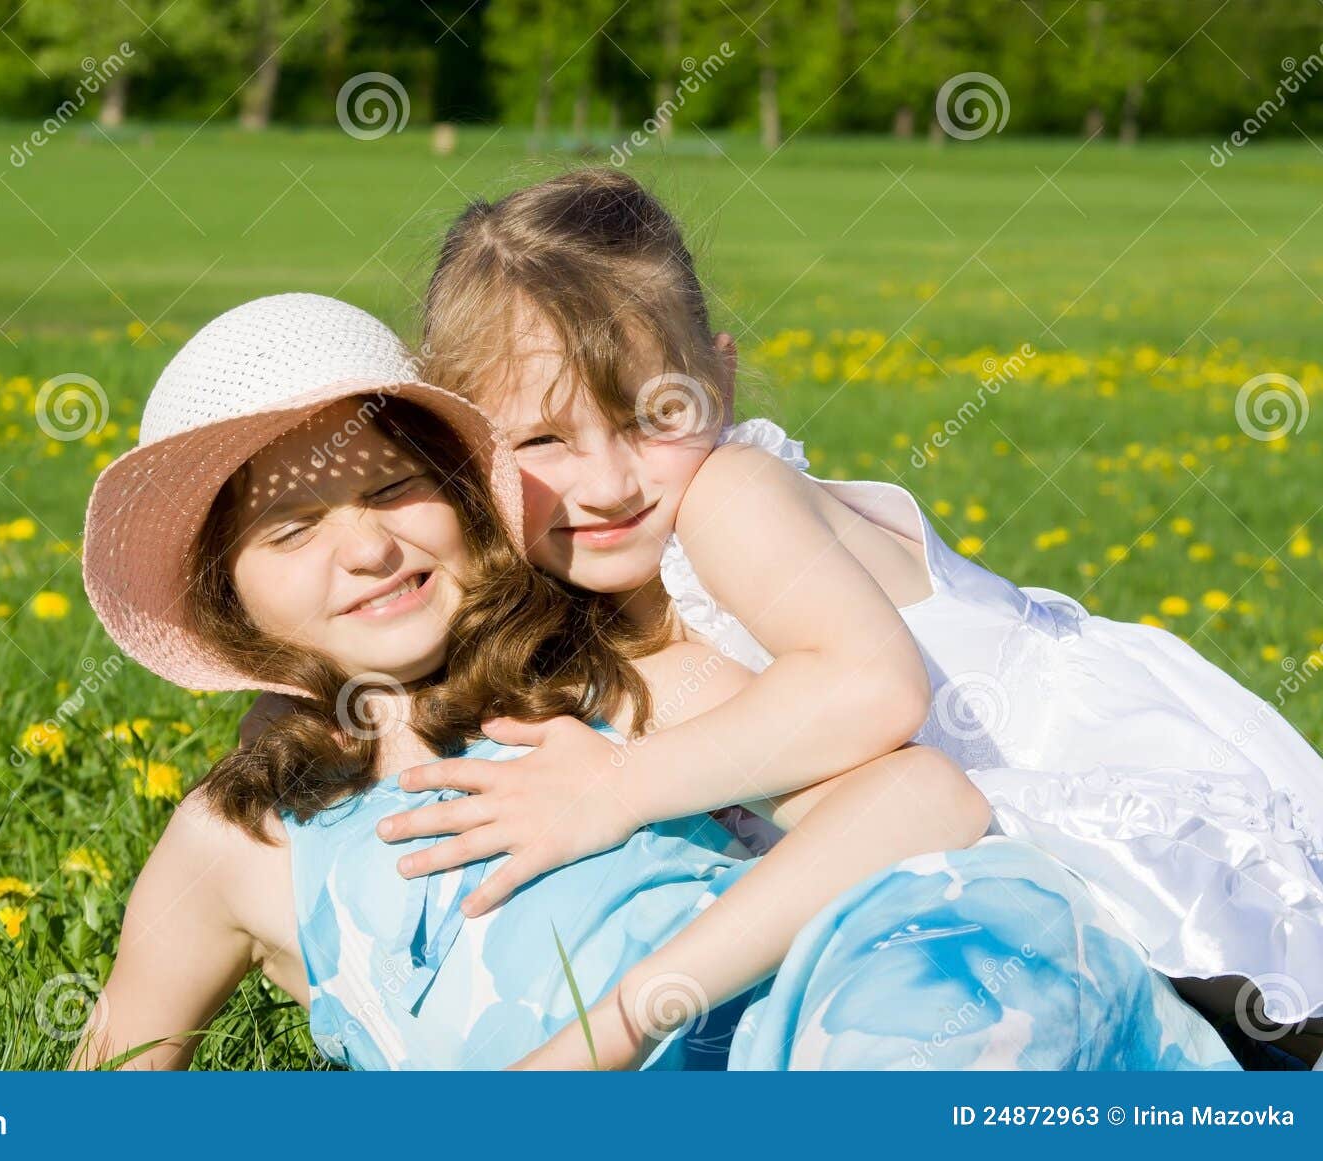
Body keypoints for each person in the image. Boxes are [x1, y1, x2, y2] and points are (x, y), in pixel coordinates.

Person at [75, 293, 1228, 1070]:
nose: (367, 552)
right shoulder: (234, 844)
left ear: (471, 500)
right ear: (227, 596)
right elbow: (117, 1074)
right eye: (289, 533)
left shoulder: (607, 692)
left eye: (391, 493)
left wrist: (608, 1033)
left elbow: (928, 805)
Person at [390, 167, 1322, 1066]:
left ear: (719, 376)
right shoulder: (615, 603)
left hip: (1097, 779)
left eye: (649, 416)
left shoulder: (731, 494)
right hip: (993, 859)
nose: (608, 483)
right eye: (544, 439)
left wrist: (621, 786)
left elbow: (871, 689)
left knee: (1268, 1009)